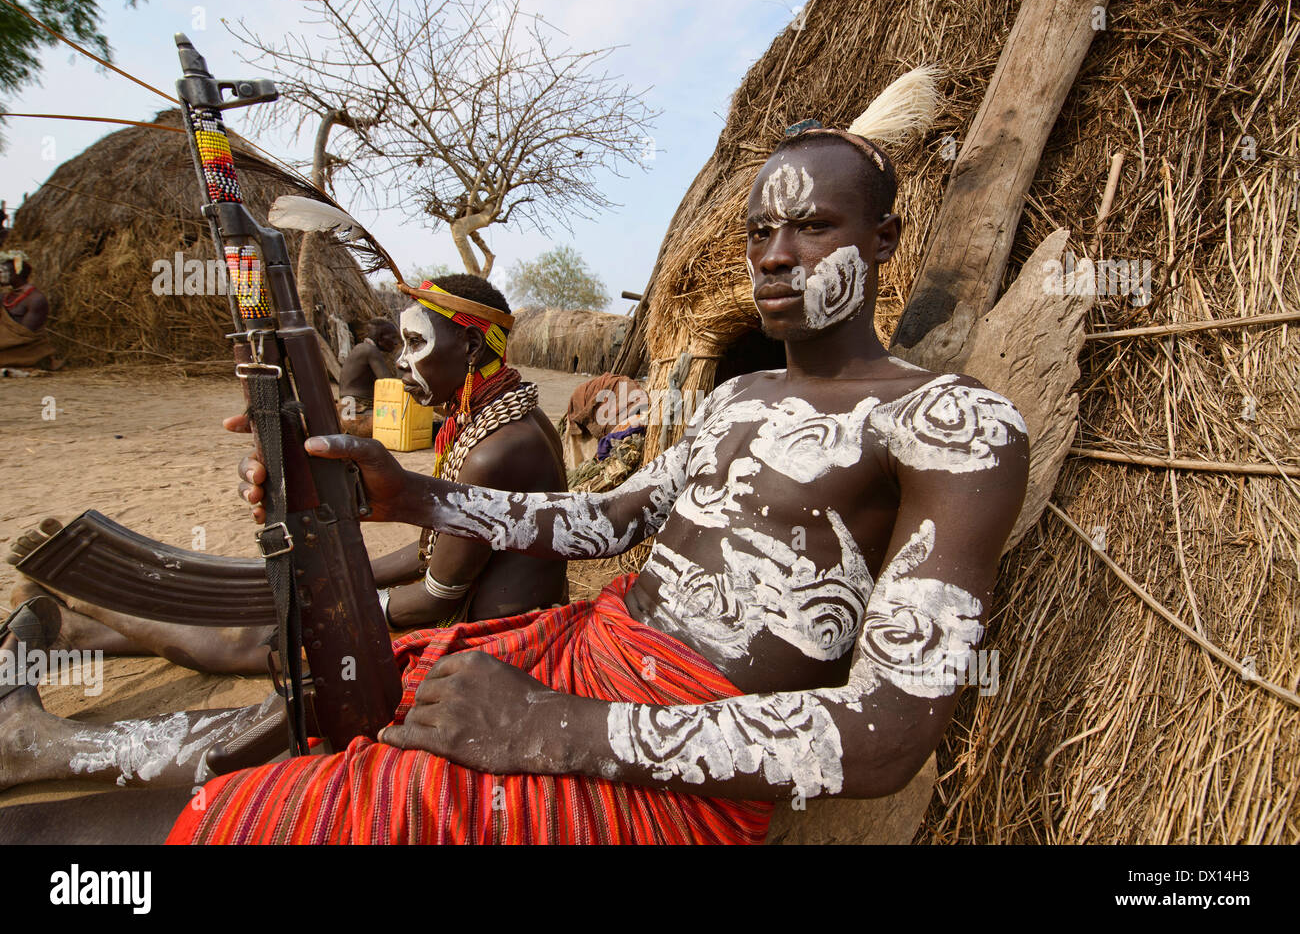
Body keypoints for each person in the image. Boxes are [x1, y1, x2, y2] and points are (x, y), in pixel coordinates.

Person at [0, 124, 1029, 844]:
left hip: (667, 759)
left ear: (883, 240)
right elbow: (604, 519)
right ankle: (50, 750)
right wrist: (413, 499)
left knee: (319, 810)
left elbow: (888, 733)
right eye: (761, 231)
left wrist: (561, 730)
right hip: (583, 655)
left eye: (810, 227)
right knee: (330, 713)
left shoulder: (949, 423)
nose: (773, 255)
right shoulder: (742, 394)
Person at [5, 274, 569, 675]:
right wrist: (342, 569)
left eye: (417, 343)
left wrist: (332, 592)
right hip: (478, 616)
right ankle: (76, 628)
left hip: (500, 649)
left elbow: (435, 598)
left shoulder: (500, 449)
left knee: (271, 639)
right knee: (286, 607)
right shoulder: (503, 416)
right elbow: (435, 553)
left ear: (471, 344)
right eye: (401, 344)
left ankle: (92, 606)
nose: (400, 361)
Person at [337, 317, 400, 437]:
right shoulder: (370, 351)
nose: (396, 342)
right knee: (398, 417)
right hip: (356, 413)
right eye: (393, 337)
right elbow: (389, 384)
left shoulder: (362, 348)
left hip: (349, 410)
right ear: (381, 338)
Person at [0, 251, 59, 370]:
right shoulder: (6, 296)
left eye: (2, 272)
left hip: (22, 349)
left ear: (16, 273)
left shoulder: (35, 299)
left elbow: (24, 336)